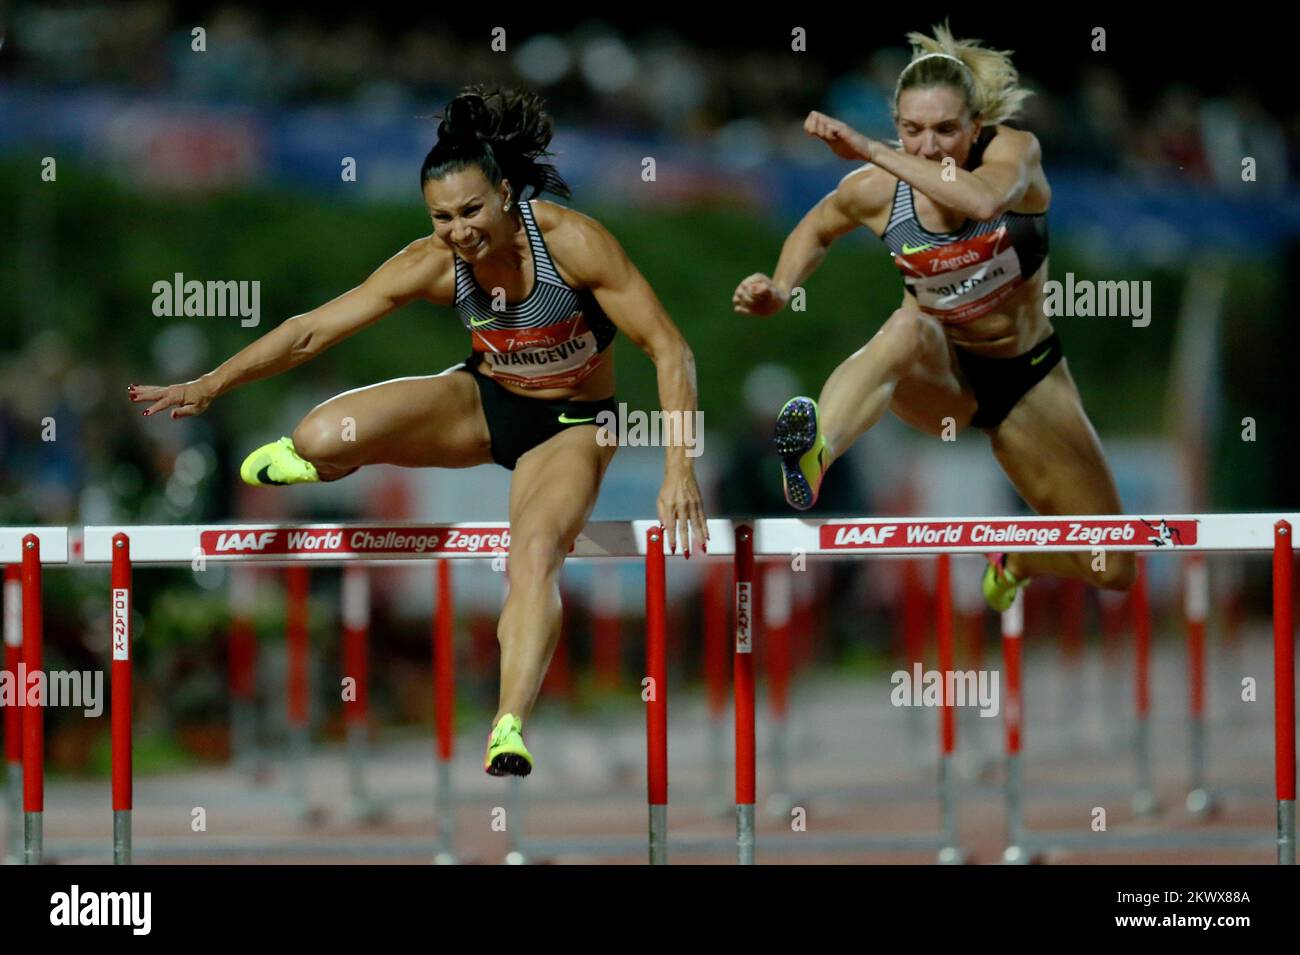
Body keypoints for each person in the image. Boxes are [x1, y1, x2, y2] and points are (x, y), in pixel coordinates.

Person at [130, 86, 708, 776]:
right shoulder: (433, 262)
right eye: (441, 218)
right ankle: (329, 462)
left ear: (503, 192)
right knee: (317, 434)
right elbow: (313, 329)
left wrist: (680, 470)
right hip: (485, 401)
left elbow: (672, 350)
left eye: (470, 211)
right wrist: (211, 383)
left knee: (534, 553)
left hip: (572, 426)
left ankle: (507, 723)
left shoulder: (574, 245)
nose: (459, 231)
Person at [731, 22, 1135, 610]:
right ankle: (816, 453)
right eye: (912, 131)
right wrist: (780, 286)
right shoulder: (874, 191)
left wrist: (873, 148)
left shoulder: (1015, 154)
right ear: (898, 125)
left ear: (976, 126)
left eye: (946, 130)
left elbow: (978, 200)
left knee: (1113, 563)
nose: (928, 147)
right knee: (907, 325)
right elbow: (817, 227)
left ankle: (1017, 557)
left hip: (1028, 380)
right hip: (941, 375)